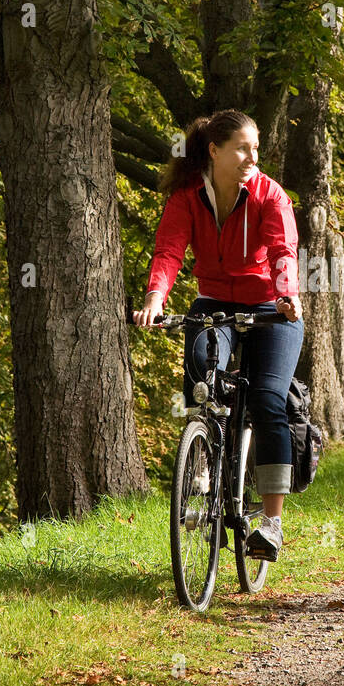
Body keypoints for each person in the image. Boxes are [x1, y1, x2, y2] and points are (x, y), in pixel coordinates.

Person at [133, 109, 303, 561]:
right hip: (215, 304)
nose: (252, 157)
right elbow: (168, 250)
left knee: (268, 399)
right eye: (243, 148)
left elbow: (284, 251)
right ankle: (204, 468)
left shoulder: (270, 195)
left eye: (256, 149)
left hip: (271, 307)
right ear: (215, 150)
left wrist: (287, 296)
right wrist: (155, 299)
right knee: (201, 366)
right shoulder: (188, 195)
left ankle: (270, 524)